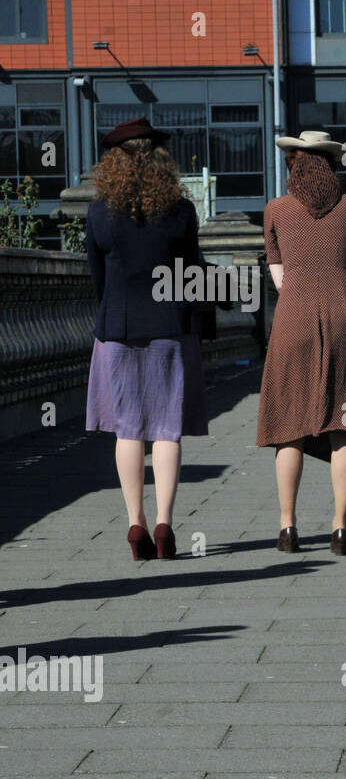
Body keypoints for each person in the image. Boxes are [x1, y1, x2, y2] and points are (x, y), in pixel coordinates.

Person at [84, 118, 210, 561]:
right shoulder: (179, 210)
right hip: (170, 327)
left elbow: (99, 282)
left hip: (117, 329)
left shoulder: (99, 212)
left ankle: (135, 522)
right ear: (159, 159)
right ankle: (164, 526)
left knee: (128, 429)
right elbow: (192, 275)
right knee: (166, 430)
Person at [258, 130, 346, 556]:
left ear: (295, 164)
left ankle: (288, 528)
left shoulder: (275, 210)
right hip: (343, 316)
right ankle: (340, 530)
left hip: (292, 320)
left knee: (289, 428)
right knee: (344, 422)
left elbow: (279, 279)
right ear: (331, 164)